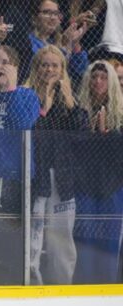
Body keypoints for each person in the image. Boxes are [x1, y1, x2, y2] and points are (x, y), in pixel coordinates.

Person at [24, 45, 87, 285]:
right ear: (36, 68)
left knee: (61, 240)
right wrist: (43, 108)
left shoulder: (70, 98)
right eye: (44, 64)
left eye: (55, 65)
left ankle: (62, 288)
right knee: (34, 237)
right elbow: (28, 132)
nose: (49, 70)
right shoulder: (26, 95)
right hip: (34, 176)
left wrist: (70, 104)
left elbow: (81, 138)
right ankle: (31, 285)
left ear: (62, 69)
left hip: (62, 178)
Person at [0, 45, 40, 282]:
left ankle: (12, 282)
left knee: (14, 238)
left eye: (5, 62)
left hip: (18, 178)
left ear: (16, 67)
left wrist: (11, 89)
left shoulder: (28, 95)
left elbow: (22, 124)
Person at [72, 60, 123, 283]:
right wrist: (90, 134)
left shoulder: (120, 114)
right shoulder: (78, 112)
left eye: (103, 77)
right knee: (83, 243)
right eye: (94, 77)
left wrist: (105, 135)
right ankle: (83, 289)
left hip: (113, 188)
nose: (98, 81)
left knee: (109, 246)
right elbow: (72, 147)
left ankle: (107, 290)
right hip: (84, 187)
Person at [28, 0, 89, 83]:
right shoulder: (29, 41)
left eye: (55, 13)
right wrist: (66, 45)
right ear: (34, 18)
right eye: (47, 12)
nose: (53, 17)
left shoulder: (56, 41)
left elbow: (81, 71)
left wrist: (75, 43)